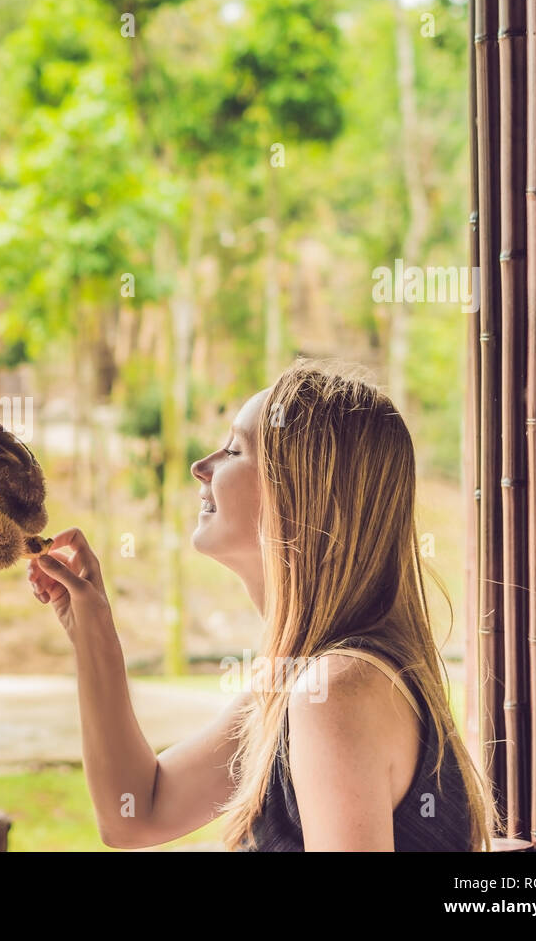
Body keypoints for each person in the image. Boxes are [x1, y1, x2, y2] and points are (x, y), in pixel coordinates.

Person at [27, 360, 495, 851]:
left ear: (302, 491)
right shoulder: (306, 682)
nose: (200, 467)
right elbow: (137, 812)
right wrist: (92, 629)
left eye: (233, 450)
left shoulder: (335, 691)